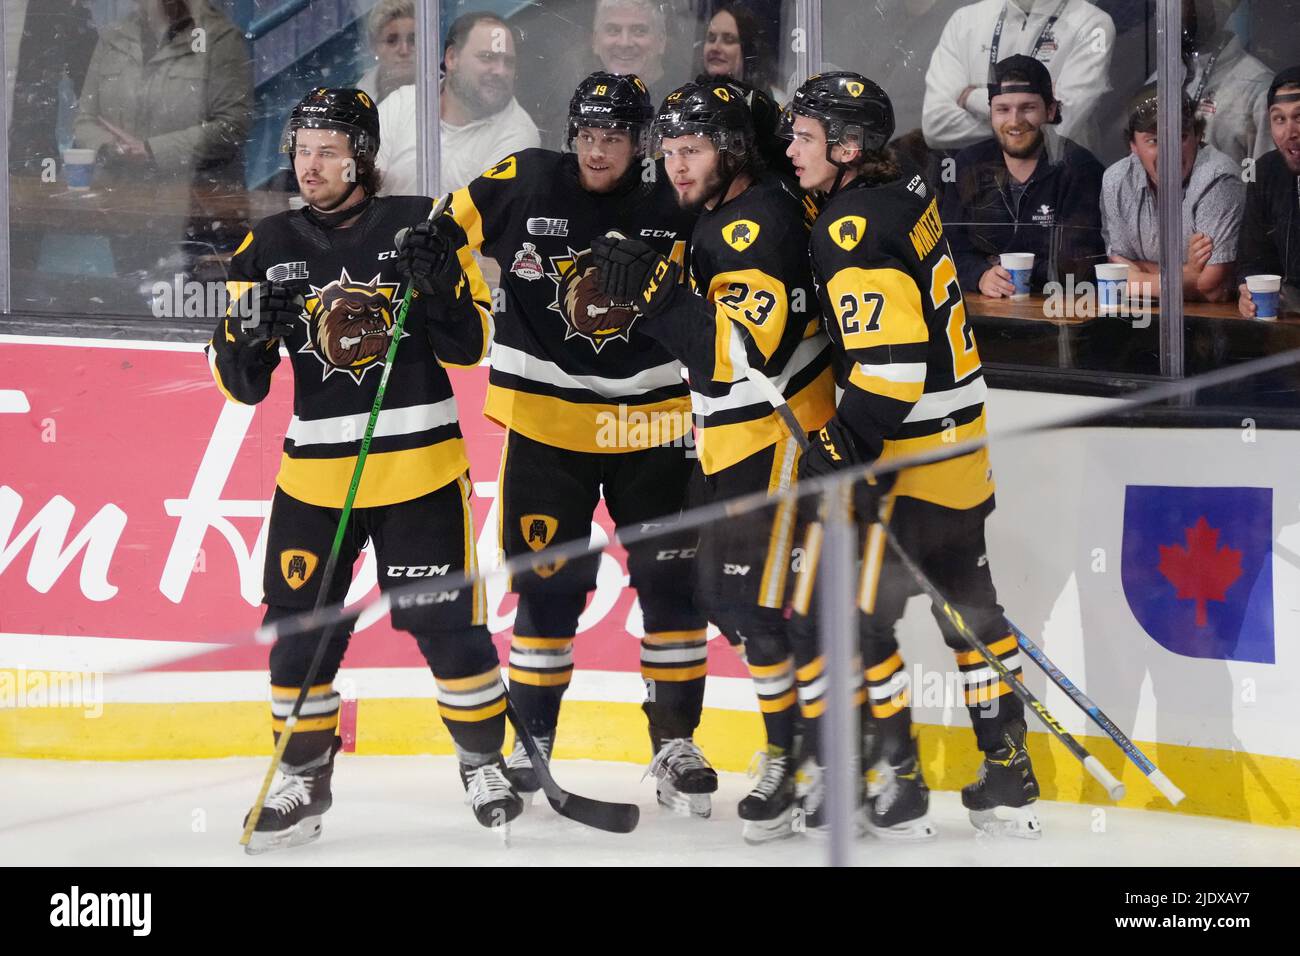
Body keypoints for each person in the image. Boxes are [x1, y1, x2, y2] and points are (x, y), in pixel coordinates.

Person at [207, 88, 513, 851]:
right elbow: (239, 385)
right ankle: (303, 780)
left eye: (327, 150)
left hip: (418, 471)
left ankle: (485, 763)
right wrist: (247, 337)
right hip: (316, 481)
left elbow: (470, 345)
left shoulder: (424, 223)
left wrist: (440, 281)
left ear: (363, 156)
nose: (310, 165)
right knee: (296, 635)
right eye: (301, 149)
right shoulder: (265, 244)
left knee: (447, 629)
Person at [446, 73, 718, 817]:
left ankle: (675, 742)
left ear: (643, 144)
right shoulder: (528, 179)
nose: (597, 152)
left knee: (673, 590)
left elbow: (721, 299)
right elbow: (446, 229)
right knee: (547, 594)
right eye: (588, 135)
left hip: (653, 429)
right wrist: (438, 273)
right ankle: (532, 743)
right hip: (547, 430)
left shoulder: (677, 199)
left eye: (615, 138)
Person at [782, 71, 1042, 839]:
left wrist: (841, 448)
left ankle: (898, 786)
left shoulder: (850, 230)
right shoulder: (907, 194)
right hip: (961, 447)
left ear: (850, 147)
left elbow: (892, 368)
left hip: (907, 461)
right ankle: (1009, 773)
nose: (792, 150)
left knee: (859, 624)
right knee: (972, 612)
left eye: (805, 137)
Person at [591, 80, 836, 842]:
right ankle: (816, 755)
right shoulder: (726, 210)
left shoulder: (754, 224)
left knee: (758, 606)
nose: (674, 167)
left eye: (689, 151)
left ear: (730, 151)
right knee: (739, 601)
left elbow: (738, 354)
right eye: (667, 153)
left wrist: (658, 299)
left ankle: (811, 761)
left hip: (778, 437)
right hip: (738, 438)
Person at [942, 55, 1106, 298]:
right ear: (991, 113)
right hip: (982, 315)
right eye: (1002, 109)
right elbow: (947, 250)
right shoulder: (968, 164)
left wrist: (1001, 268)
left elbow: (1077, 267)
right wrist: (979, 275)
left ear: (1050, 110)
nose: (1014, 121)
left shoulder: (1079, 169)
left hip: (1058, 316)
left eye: (1027, 108)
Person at [72, 0, 252, 187]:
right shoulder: (114, 36)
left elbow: (232, 126)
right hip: (120, 196)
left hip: (194, 199)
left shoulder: (220, 37)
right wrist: (109, 147)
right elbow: (85, 119)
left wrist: (152, 151)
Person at [1101, 85, 1243, 303]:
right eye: (1154, 140)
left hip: (1211, 324)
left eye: (1181, 136)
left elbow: (1211, 286)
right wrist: (1189, 272)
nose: (1170, 151)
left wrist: (1140, 274)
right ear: (1133, 146)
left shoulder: (1219, 177)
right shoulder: (1117, 180)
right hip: (1137, 320)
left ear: (1198, 136)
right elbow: (1117, 272)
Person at [374, 11, 540, 196]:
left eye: (508, 62)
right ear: (452, 58)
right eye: (487, 57)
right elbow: (365, 186)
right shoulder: (402, 103)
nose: (500, 71)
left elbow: (483, 217)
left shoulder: (520, 136)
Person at [923, 0, 1116, 157]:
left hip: (1058, 180)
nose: (1013, 119)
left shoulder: (1092, 24)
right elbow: (936, 125)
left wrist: (972, 98)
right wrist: (1033, 112)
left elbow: (1061, 125)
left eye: (1029, 106)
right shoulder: (964, 21)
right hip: (979, 185)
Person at [1168, 0, 1272, 167]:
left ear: (1212, 11)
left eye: (1184, 4)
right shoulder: (1161, 78)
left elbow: (1266, 184)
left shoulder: (1259, 89)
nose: (1170, 14)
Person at [1237, 67, 1300, 319]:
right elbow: (1252, 261)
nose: (1290, 132)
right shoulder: (1265, 172)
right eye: (1279, 119)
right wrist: (1247, 293)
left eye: (1299, 116)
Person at [697, 4, 780, 101]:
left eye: (728, 40)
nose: (715, 47)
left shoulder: (774, 104)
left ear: (748, 50)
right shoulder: (687, 98)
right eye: (711, 38)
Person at [355, 0, 415, 105]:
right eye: (391, 40)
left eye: (413, 40)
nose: (404, 51)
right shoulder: (353, 97)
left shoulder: (444, 93)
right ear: (373, 45)